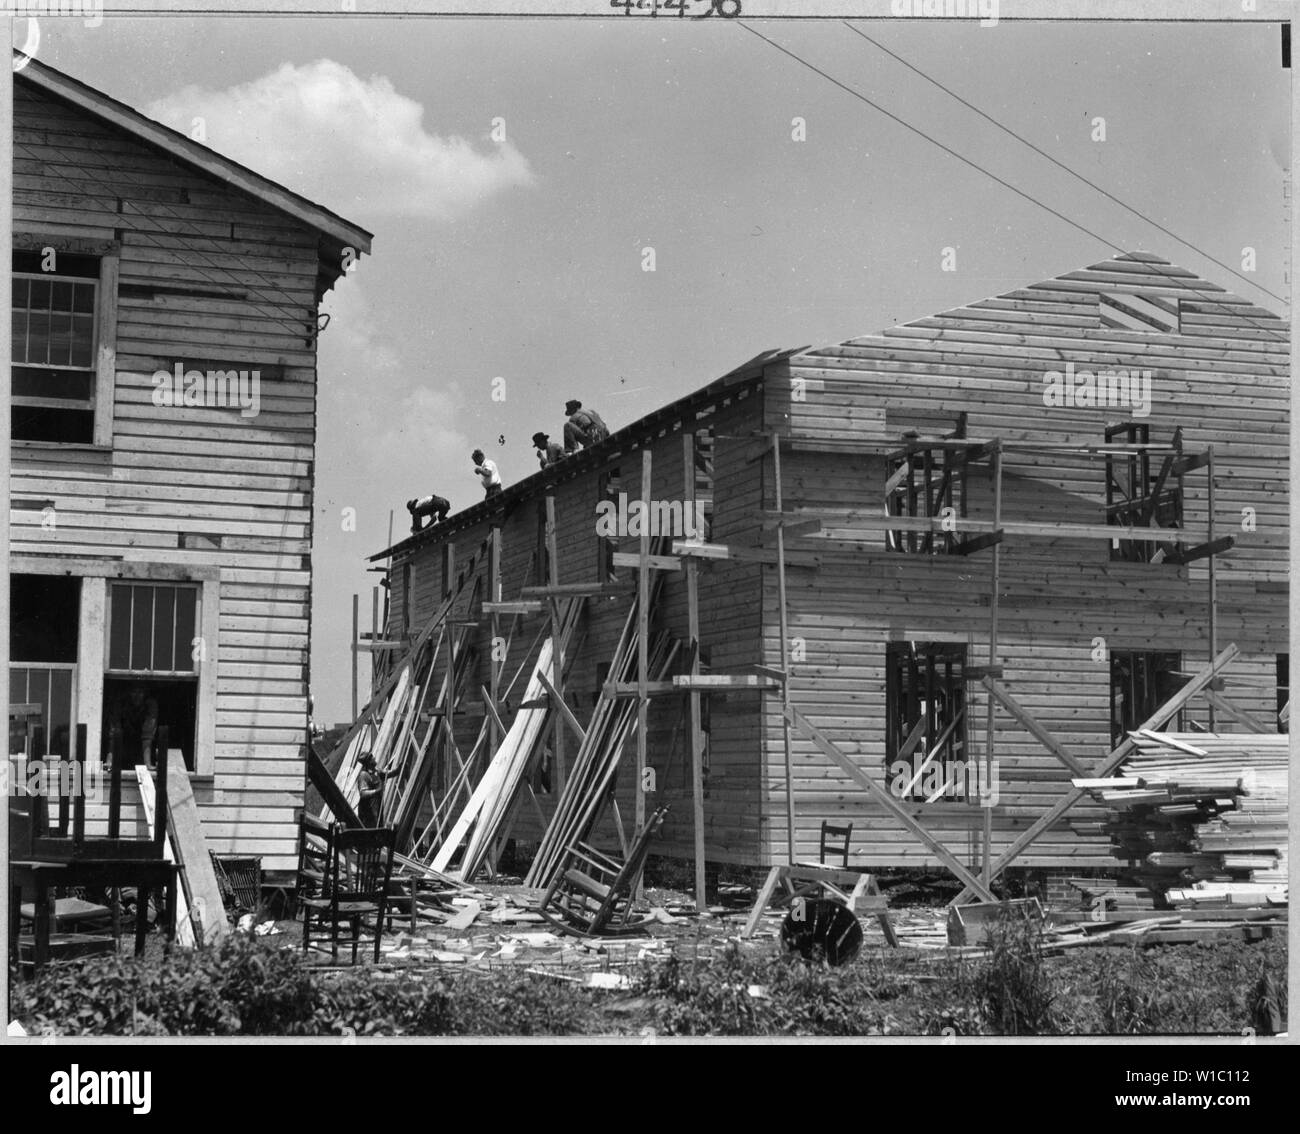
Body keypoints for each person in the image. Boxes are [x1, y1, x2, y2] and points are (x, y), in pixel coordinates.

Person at [107, 683, 159, 768]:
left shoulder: (150, 704)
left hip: (141, 745)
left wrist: (147, 764)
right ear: (128, 693)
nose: (137, 696)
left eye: (140, 692)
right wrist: (109, 761)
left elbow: (148, 734)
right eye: (134, 692)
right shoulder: (120, 703)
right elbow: (114, 732)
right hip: (123, 740)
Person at [356, 752, 396, 828]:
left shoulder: (376, 771)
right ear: (368, 761)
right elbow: (363, 793)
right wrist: (376, 791)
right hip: (368, 809)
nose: (374, 758)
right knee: (371, 828)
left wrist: (398, 770)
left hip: (378, 805)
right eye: (372, 757)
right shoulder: (364, 775)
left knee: (379, 825)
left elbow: (387, 774)